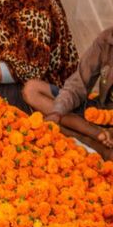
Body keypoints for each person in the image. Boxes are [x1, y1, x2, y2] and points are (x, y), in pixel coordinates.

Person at [22, 27, 113, 160]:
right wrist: (57, 112)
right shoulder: (107, 39)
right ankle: (96, 134)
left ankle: (97, 145)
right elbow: (79, 83)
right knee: (32, 90)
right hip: (97, 113)